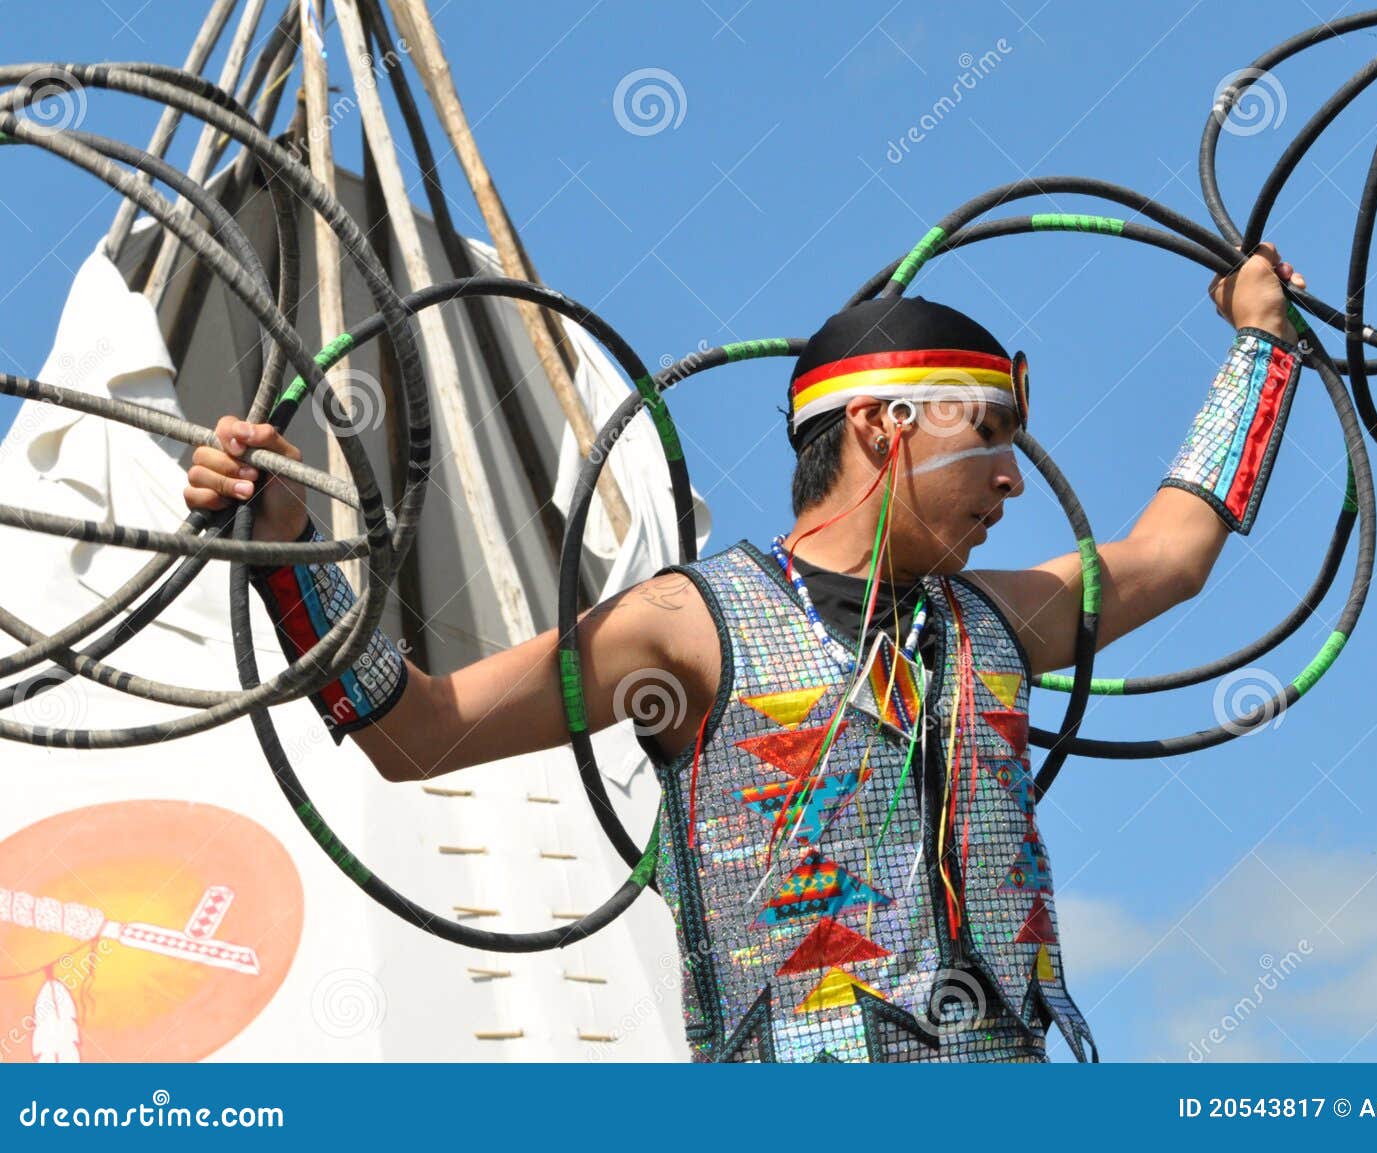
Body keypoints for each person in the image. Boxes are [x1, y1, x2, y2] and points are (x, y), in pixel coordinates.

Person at [185, 243, 1308, 1063]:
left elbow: (1177, 549)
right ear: (884, 426)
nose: (1015, 477)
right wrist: (288, 552)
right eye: (990, 433)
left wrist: (1261, 344)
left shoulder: (994, 620)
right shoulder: (684, 626)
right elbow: (420, 733)